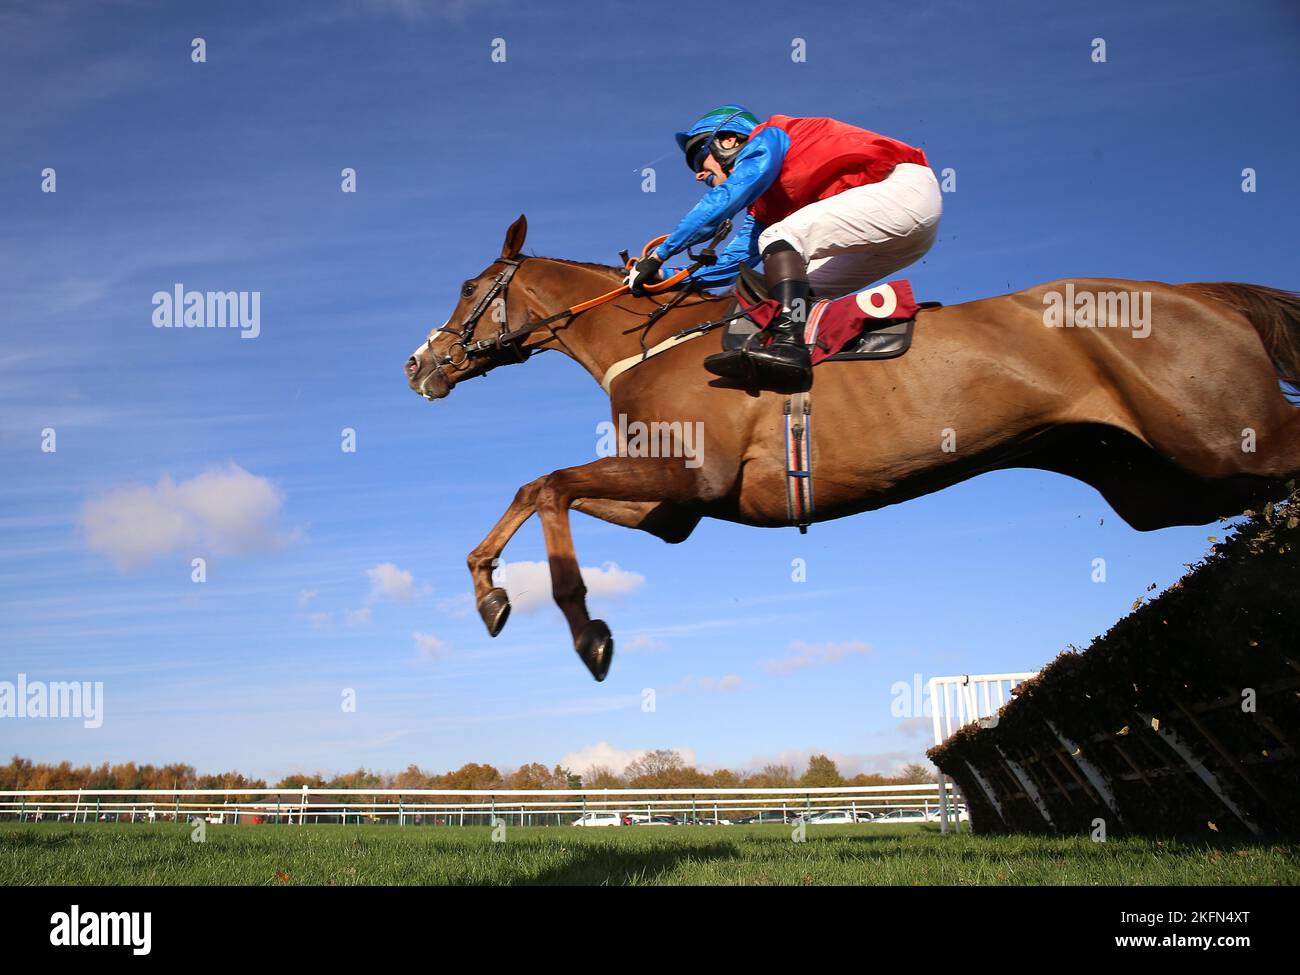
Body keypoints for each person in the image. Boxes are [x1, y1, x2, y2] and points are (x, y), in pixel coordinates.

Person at [626, 105, 942, 389]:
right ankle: (827, 371)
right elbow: (734, 262)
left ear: (730, 141)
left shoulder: (770, 137)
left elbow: (727, 198)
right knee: (794, 292)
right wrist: (664, 277)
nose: (697, 174)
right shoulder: (765, 205)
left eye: (699, 156)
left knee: (780, 239)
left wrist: (658, 255)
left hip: (904, 192)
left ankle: (787, 346)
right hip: (900, 235)